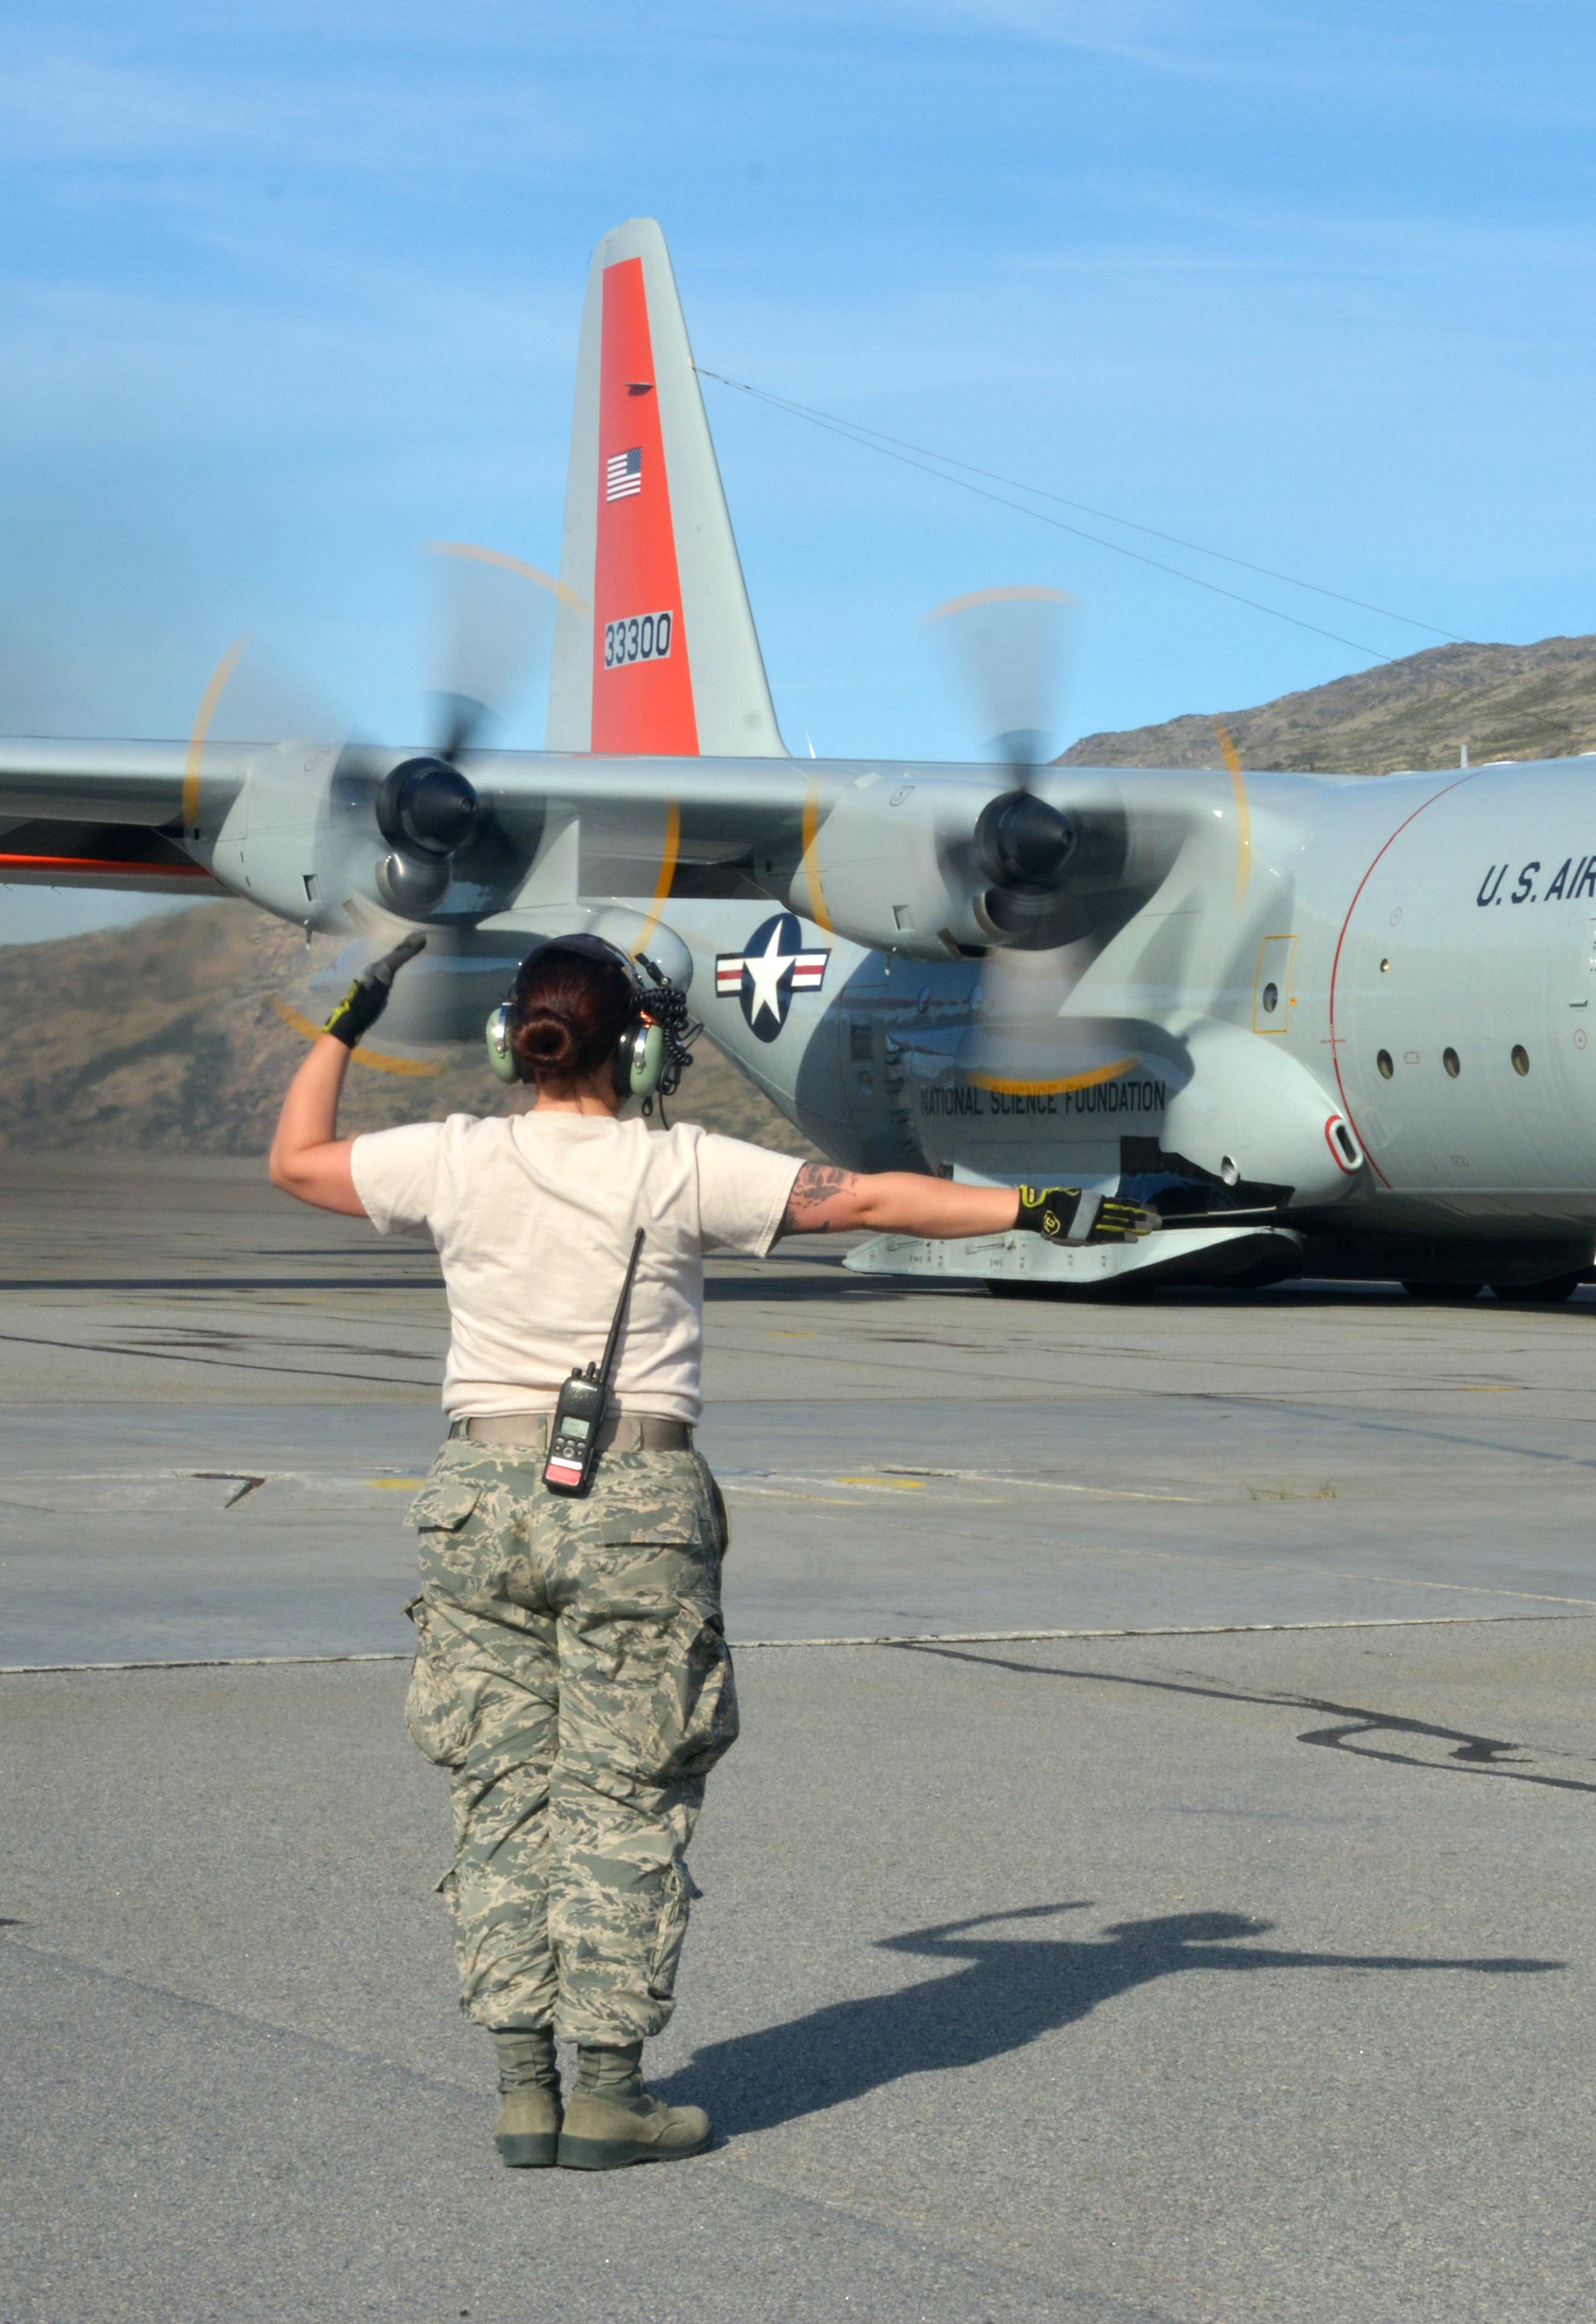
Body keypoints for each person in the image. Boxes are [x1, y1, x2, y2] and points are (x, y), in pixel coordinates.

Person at [268, 930, 1153, 2169]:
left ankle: (525, 2089)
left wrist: (346, 1021)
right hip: (635, 1492)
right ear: (638, 1048)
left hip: (479, 1492)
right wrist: (1045, 1206)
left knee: (502, 1789)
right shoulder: (680, 1165)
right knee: (628, 1795)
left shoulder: (452, 1160)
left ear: (504, 1044)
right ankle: (612, 2092)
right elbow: (874, 1198)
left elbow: (297, 1158)